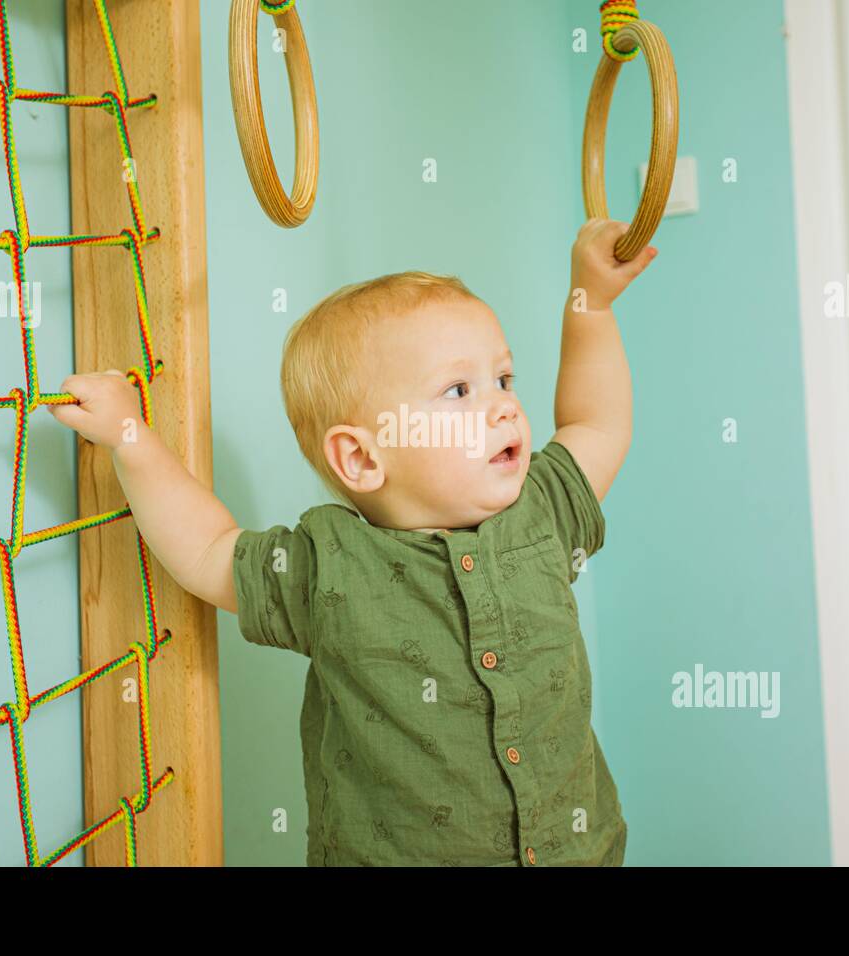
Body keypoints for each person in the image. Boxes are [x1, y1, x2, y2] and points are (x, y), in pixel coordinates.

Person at [48, 219, 658, 865]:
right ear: (362, 460)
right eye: (459, 390)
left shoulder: (544, 509)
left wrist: (590, 297)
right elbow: (207, 551)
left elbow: (596, 420)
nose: (504, 407)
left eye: (504, 380)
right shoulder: (330, 566)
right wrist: (130, 439)